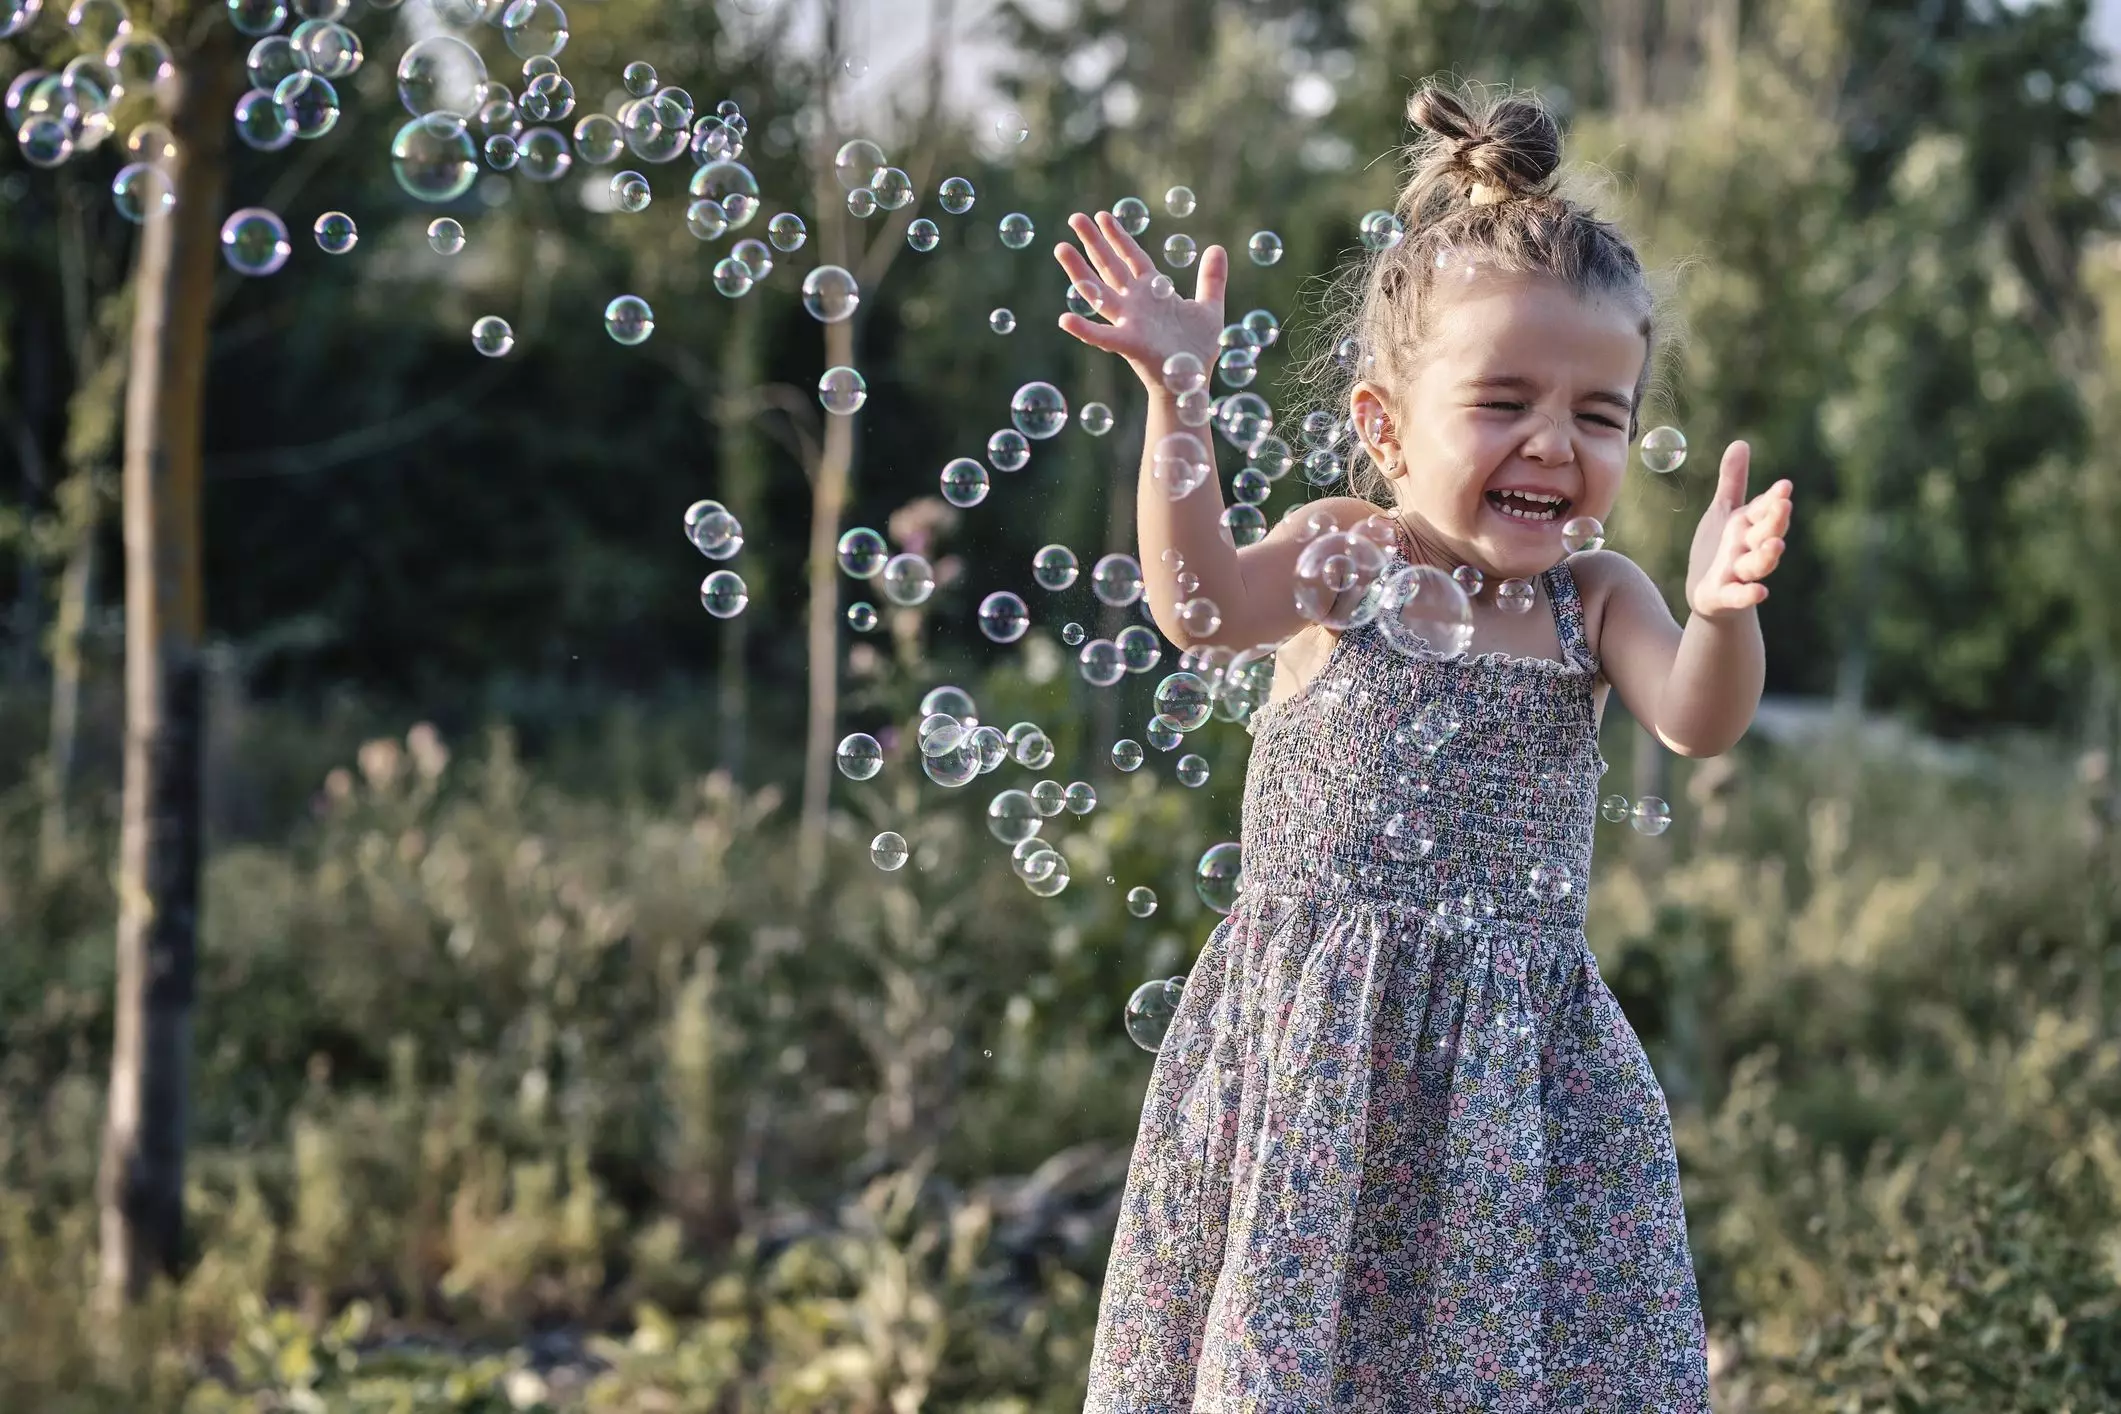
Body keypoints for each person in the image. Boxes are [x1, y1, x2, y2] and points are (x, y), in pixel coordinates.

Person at [1051, 78, 1793, 1411]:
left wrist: (1724, 612)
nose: (1554, 445)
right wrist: (1178, 398)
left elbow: (1700, 712)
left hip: (1515, 1096)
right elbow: (1202, 603)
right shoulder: (1354, 555)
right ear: (1385, 425)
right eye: (1504, 401)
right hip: (1321, 1071)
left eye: (1599, 414)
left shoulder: (1597, 598)